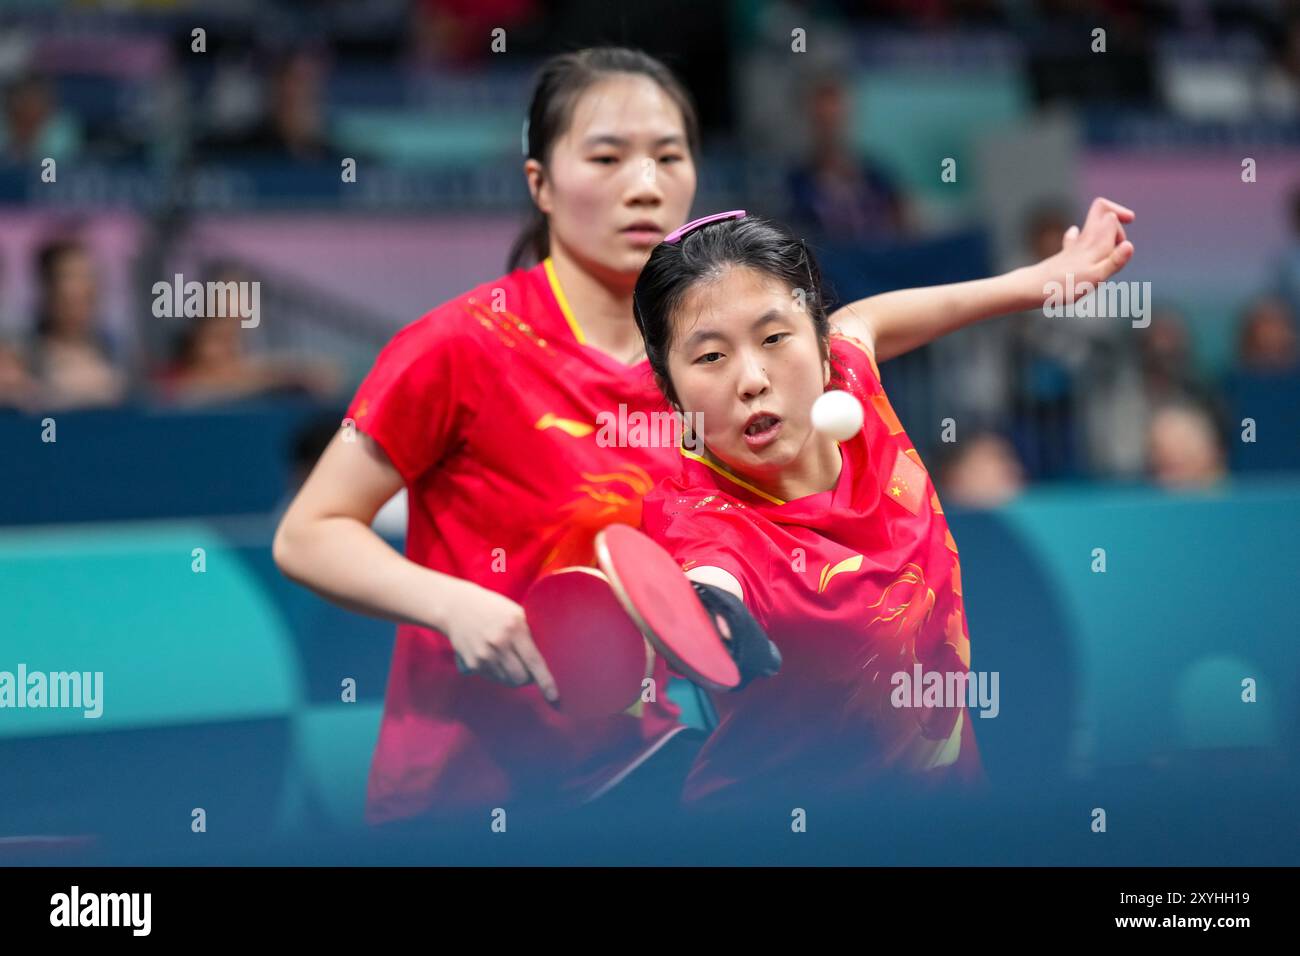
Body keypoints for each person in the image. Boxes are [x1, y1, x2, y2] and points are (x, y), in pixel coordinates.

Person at [632, 205, 1133, 811]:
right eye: (710, 356)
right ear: (671, 390)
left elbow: (866, 318)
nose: (752, 379)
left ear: (819, 343)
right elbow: (710, 579)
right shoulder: (697, 515)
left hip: (943, 818)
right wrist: (707, 609)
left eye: (773, 337)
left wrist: (1041, 281)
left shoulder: (848, 378)